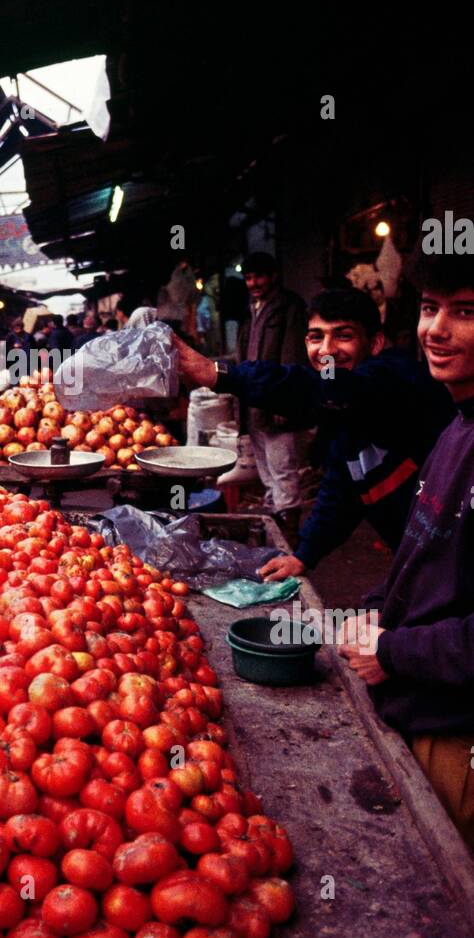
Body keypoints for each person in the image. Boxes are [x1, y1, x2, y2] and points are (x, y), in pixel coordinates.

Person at [337, 248, 474, 849]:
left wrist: (394, 650)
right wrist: (377, 606)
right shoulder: (458, 425)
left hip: (458, 736)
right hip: (421, 707)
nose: (436, 331)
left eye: (466, 312)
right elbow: (431, 557)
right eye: (429, 308)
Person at [173, 288, 454, 579]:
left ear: (375, 343)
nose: (327, 350)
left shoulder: (393, 378)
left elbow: (318, 388)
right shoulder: (343, 414)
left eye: (344, 336)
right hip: (424, 564)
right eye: (316, 337)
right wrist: (304, 555)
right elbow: (343, 489)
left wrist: (218, 374)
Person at [236, 252, 309, 540]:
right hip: (253, 403)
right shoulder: (251, 309)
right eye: (249, 278)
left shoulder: (289, 307)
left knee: (283, 469)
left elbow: (293, 356)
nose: (254, 283)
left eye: (259, 276)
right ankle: (276, 526)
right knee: (266, 469)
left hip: (276, 402)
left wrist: (286, 400)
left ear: (273, 276)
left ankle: (290, 532)